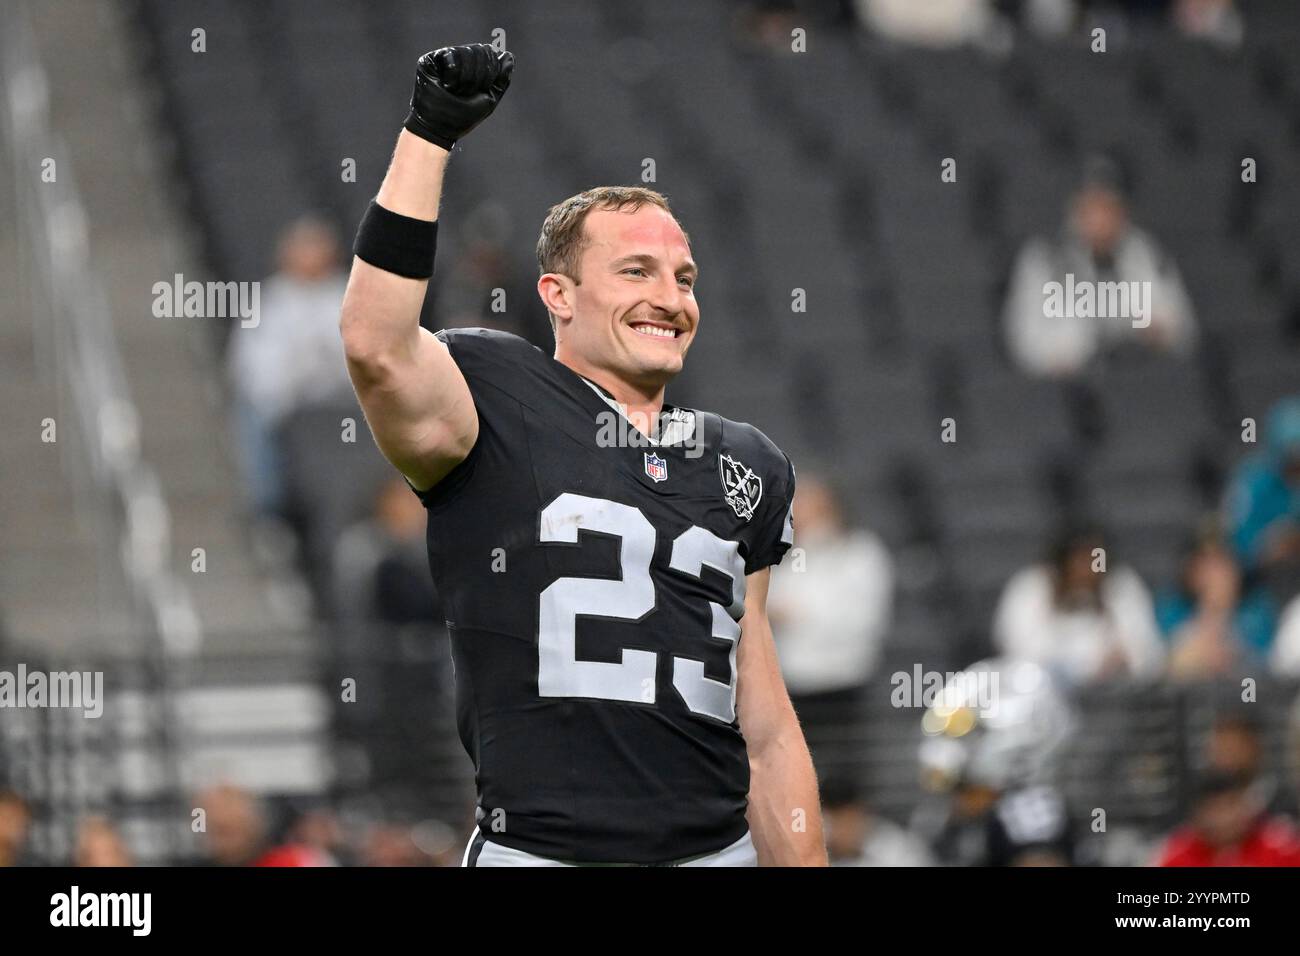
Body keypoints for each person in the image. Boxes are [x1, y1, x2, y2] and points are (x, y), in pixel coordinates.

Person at [339, 44, 824, 866]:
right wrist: (430, 135)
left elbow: (765, 721)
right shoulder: (495, 398)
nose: (669, 298)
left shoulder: (743, 463)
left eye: (684, 277)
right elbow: (376, 345)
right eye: (636, 270)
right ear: (558, 295)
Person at [1002, 157, 1197, 378]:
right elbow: (1023, 344)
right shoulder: (1042, 258)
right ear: (1075, 208)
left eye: (1110, 206)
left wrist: (1156, 334)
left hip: (1141, 379)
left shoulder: (1146, 251)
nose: (1101, 217)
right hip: (1069, 388)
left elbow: (1184, 330)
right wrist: (1077, 350)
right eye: (1093, 206)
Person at [768, 473, 893, 778]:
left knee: (842, 778)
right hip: (789, 687)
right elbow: (765, 603)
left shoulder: (861, 552)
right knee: (791, 775)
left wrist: (796, 616)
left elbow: (862, 621)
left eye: (807, 504)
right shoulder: (782, 555)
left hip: (843, 685)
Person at [992, 525, 1164, 687]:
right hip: (1045, 694)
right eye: (1080, 559)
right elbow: (1019, 653)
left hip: (1111, 697)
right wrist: (1085, 667)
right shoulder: (1031, 586)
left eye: (1096, 559)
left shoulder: (1120, 586)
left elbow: (1147, 652)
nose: (1089, 569)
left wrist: (1125, 658)